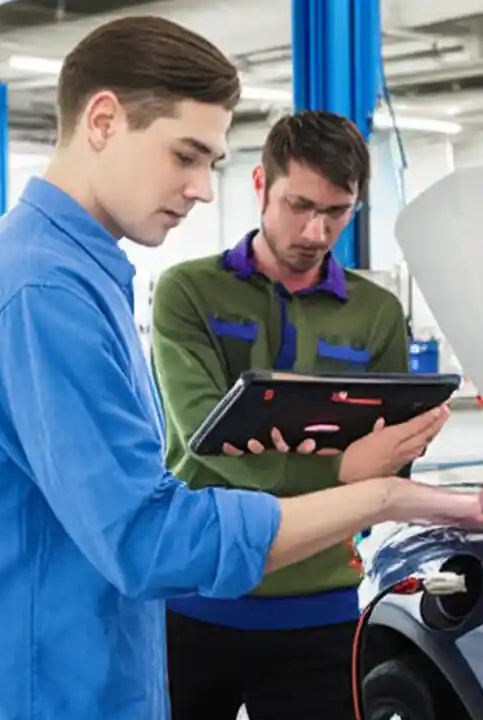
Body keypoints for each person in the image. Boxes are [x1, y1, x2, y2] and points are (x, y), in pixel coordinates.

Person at [0, 14, 483, 720]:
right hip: (44, 692)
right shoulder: (42, 291)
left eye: (209, 164)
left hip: (79, 669)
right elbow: (146, 537)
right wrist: (374, 494)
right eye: (185, 155)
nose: (199, 188)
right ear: (103, 120)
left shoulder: (77, 271)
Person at [149, 110, 418, 719]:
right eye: (299, 205)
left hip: (319, 606)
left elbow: (393, 466)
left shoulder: (376, 314)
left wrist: (378, 473)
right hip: (195, 595)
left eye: (338, 212)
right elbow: (206, 440)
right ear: (259, 185)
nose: (317, 231)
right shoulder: (187, 292)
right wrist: (350, 471)